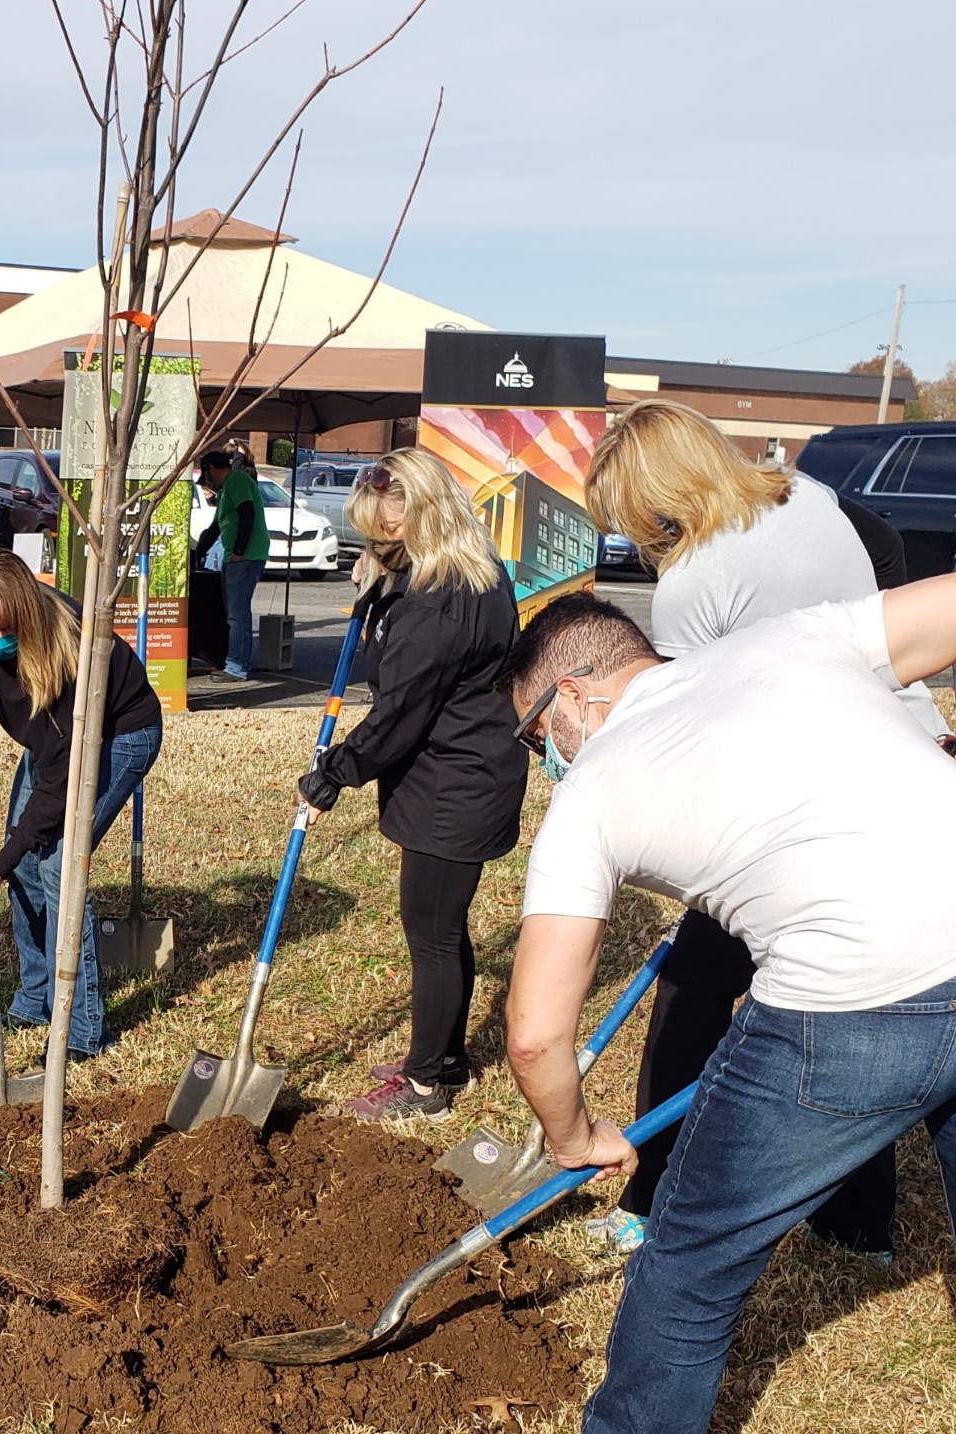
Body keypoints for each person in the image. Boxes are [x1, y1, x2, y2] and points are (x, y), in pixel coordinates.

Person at [498, 584, 956, 1434]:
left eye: (536, 732)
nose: (546, 758)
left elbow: (536, 1034)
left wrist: (578, 1136)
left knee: (695, 1251)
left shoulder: (595, 788)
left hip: (854, 1002)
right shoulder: (798, 633)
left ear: (574, 696)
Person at [581, 396, 944, 1259]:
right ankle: (859, 1228)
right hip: (905, 763)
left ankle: (650, 1191)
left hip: (802, 812)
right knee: (865, 996)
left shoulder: (691, 588)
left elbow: (703, 740)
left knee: (694, 997)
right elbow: (884, 567)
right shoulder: (809, 497)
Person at [296, 449, 528, 1120]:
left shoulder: (436, 609)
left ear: (421, 518)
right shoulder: (475, 573)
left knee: (430, 934)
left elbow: (398, 713)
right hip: (466, 769)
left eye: (386, 534)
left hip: (453, 783)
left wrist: (332, 775)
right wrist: (384, 585)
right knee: (443, 929)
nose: (373, 544)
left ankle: (425, 1085)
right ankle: (443, 1055)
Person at [0, 548, 163, 1060]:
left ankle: (83, 1030)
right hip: (53, 747)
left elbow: (57, 789)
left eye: (2, 629)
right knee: (25, 868)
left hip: (117, 736)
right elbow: (40, 746)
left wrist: (1, 860)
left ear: (26, 617)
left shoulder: (71, 655)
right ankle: (36, 996)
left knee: (58, 871)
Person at [193, 450, 268, 679]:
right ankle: (238, 663)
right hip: (236, 557)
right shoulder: (227, 490)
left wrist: (238, 550)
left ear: (211, 469)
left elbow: (248, 513)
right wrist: (198, 553)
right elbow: (215, 527)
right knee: (236, 613)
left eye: (207, 477)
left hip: (244, 557)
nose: (208, 484)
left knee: (237, 614)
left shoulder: (237, 480)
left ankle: (236, 667)